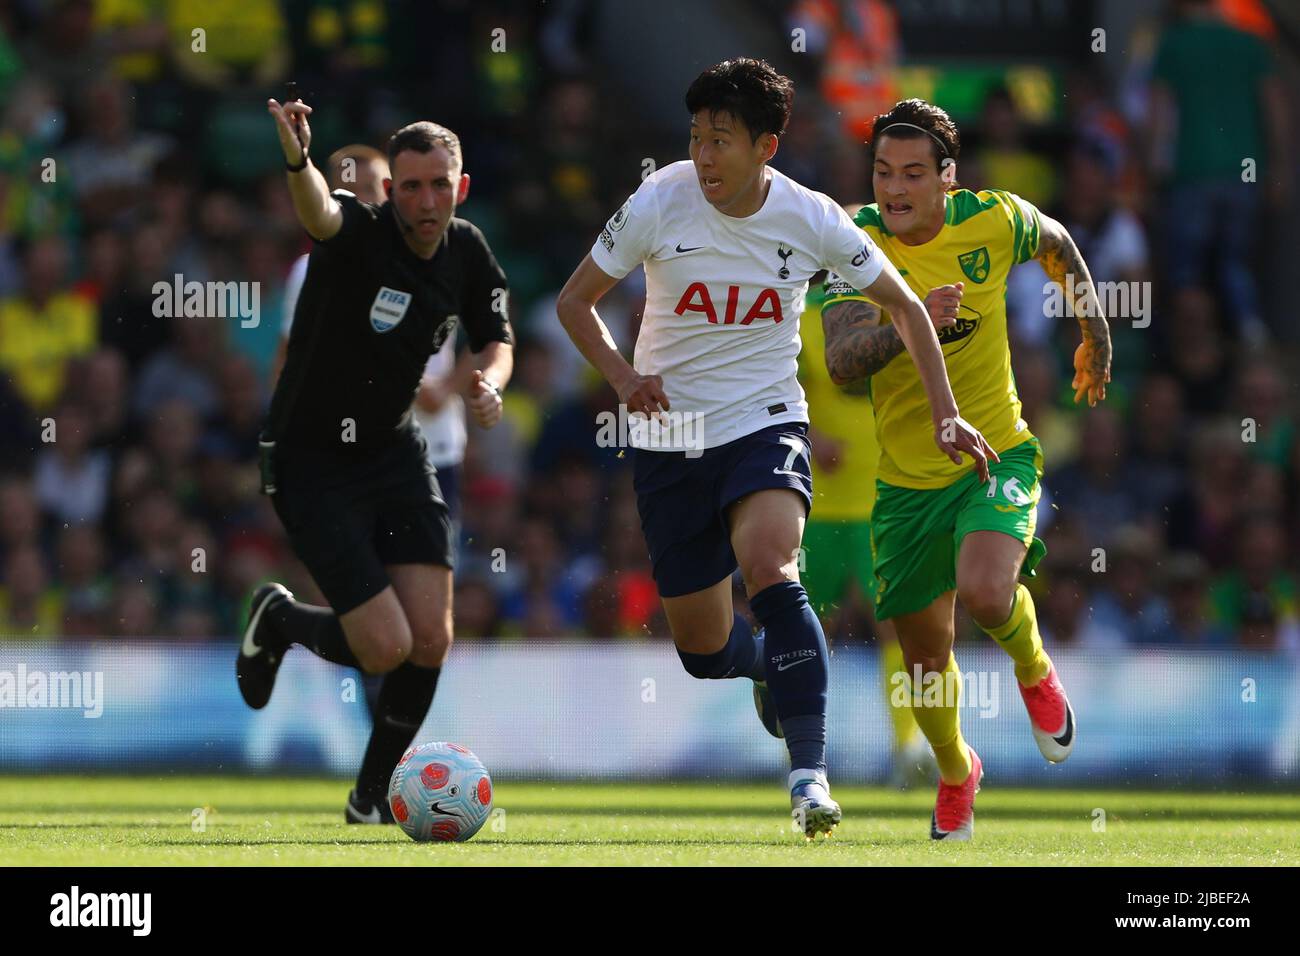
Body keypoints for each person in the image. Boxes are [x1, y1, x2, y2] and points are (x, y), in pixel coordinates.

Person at [555, 59, 991, 838]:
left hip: (764, 422)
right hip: (672, 436)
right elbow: (575, 301)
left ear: (767, 144)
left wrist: (946, 415)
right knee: (702, 647)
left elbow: (909, 312)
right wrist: (624, 378)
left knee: (771, 569)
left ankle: (809, 778)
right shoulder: (660, 199)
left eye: (721, 140)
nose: (705, 155)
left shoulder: (813, 217)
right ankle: (761, 668)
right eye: (696, 138)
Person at [821, 98, 1112, 840]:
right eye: (883, 171)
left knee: (988, 592)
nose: (895, 188)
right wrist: (909, 313)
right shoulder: (853, 241)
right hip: (905, 484)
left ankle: (1035, 668)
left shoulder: (993, 218)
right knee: (924, 659)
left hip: (997, 450)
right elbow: (843, 361)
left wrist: (1094, 331)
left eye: (913, 173)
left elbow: (1058, 244)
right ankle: (957, 771)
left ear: (947, 178)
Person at [237, 94, 515, 824]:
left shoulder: (470, 249)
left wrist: (488, 381)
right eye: (411, 186)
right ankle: (282, 620)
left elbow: (497, 337)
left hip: (392, 448)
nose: (425, 200)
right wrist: (298, 157)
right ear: (391, 190)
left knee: (432, 637)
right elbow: (319, 212)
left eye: (439, 185)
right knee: (386, 645)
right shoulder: (359, 233)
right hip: (309, 459)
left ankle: (369, 798)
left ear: (461, 187)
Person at [795, 214, 933, 789]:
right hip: (812, 504)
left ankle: (909, 747)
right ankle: (798, 745)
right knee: (802, 627)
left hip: (882, 500)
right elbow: (772, 386)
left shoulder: (905, 315)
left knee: (897, 626)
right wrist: (807, 432)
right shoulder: (800, 321)